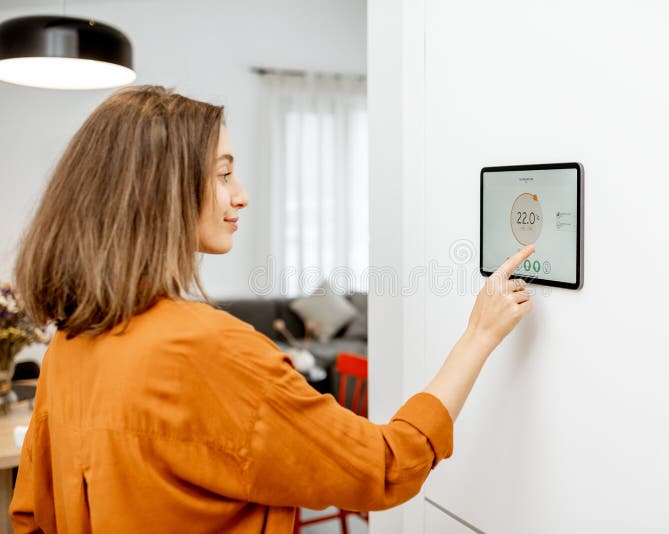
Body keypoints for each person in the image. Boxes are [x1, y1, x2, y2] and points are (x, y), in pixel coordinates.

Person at [8, 85, 535, 533]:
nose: (241, 196)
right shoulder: (206, 349)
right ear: (160, 191)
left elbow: (31, 516)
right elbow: (384, 465)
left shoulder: (66, 349)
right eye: (223, 175)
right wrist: (478, 336)